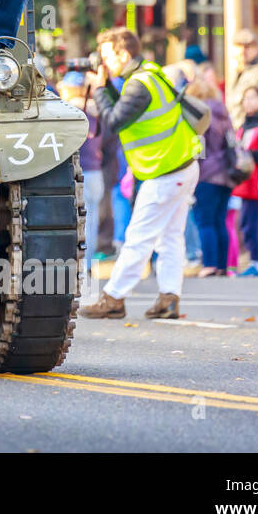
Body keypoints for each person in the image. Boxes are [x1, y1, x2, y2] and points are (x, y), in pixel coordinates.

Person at [79, 27, 202, 320]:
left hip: (165, 171)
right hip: (181, 165)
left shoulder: (138, 85)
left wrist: (98, 88)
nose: (103, 62)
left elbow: (113, 120)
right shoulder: (149, 72)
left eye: (107, 56)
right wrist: (106, 85)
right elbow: (122, 111)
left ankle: (113, 298)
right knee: (170, 237)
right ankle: (169, 299)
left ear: (124, 53)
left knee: (138, 236)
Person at [58, 71, 104, 273]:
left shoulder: (65, 113)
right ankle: (88, 265)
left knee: (74, 223)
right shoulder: (96, 113)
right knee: (91, 223)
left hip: (77, 174)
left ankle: (77, 266)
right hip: (96, 172)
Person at [189, 76, 234, 277]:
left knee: (205, 221)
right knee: (219, 220)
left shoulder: (200, 114)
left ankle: (209, 264)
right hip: (227, 173)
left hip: (206, 173)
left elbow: (198, 147)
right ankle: (222, 265)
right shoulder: (223, 112)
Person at [232, 86, 258, 275]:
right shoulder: (243, 125)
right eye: (245, 98)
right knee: (246, 222)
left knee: (254, 222)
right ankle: (256, 259)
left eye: (252, 98)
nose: (247, 102)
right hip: (243, 182)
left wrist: (247, 154)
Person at [225, 27, 258, 128]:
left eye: (248, 46)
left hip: (252, 126)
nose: (243, 50)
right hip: (235, 126)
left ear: (256, 48)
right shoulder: (235, 72)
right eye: (239, 46)